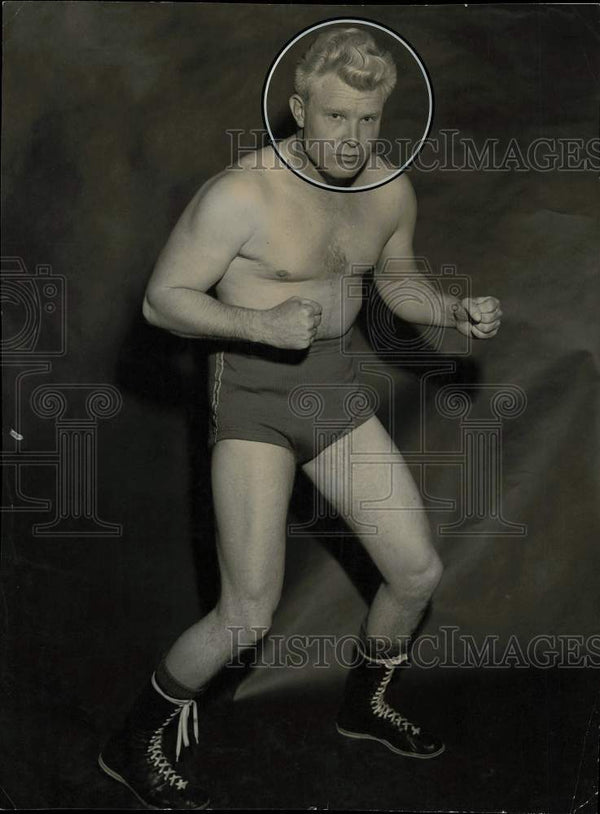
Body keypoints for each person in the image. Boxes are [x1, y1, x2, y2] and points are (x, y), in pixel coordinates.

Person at [98, 26, 502, 809]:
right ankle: (131, 738)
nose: (351, 140)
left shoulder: (387, 189)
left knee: (417, 572)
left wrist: (456, 308)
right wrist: (255, 325)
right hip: (251, 401)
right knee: (247, 613)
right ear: (297, 108)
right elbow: (161, 300)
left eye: (368, 119)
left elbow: (401, 282)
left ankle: (365, 702)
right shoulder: (239, 194)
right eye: (334, 117)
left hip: (333, 397)